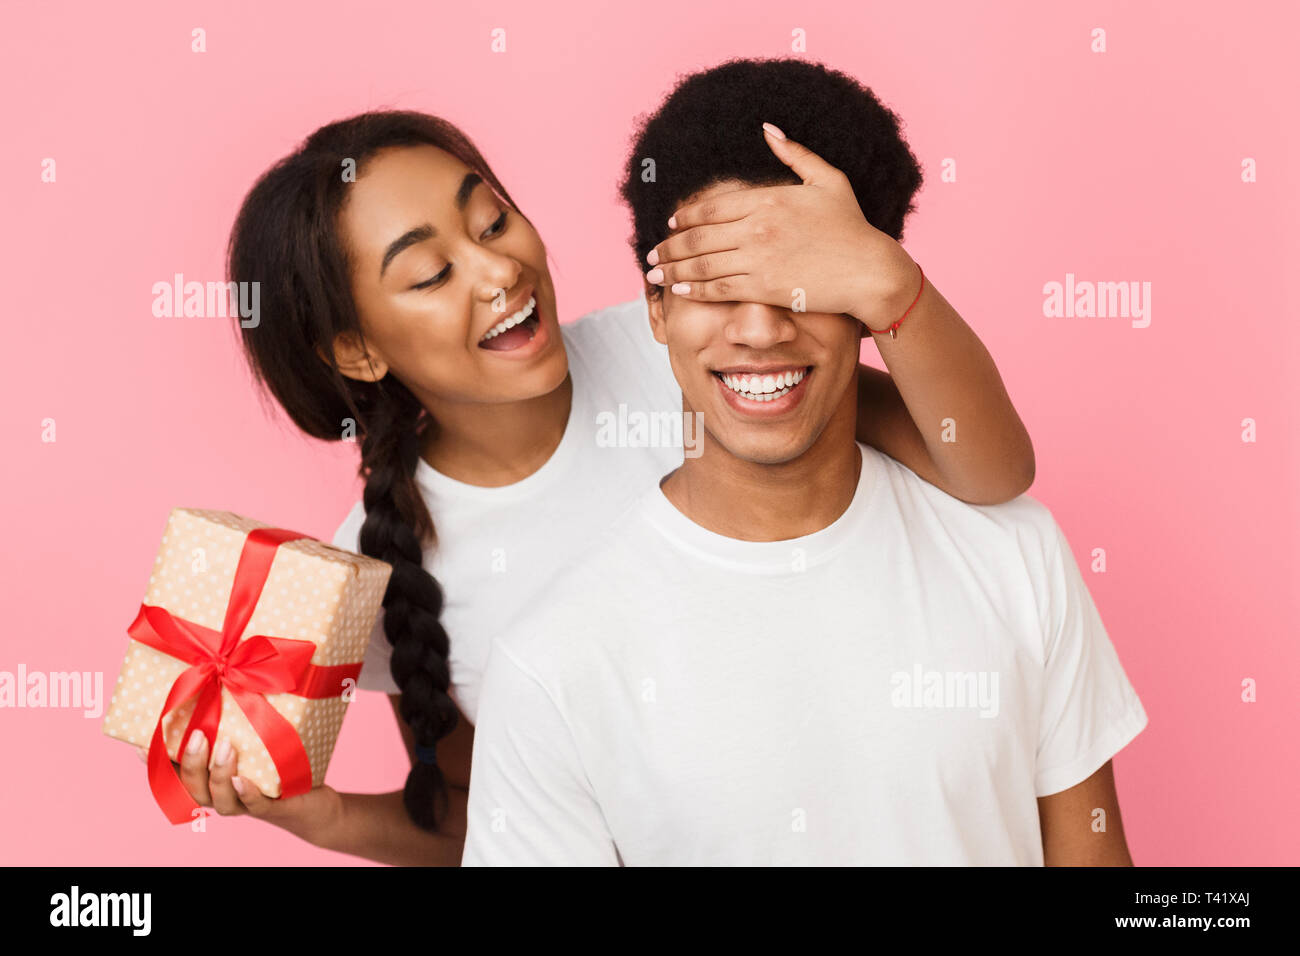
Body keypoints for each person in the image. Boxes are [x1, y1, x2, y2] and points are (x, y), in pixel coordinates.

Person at [162, 67, 1034, 865]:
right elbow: (488, 819)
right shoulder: (378, 569)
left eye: (493, 220)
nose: (498, 268)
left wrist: (889, 283)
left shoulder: (685, 347)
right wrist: (324, 819)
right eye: (432, 273)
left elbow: (984, 467)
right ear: (355, 350)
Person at [460, 58, 1147, 866]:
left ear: (867, 301)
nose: (760, 330)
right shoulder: (553, 666)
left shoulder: (1013, 553)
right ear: (657, 307)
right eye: (717, 285)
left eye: (802, 285)